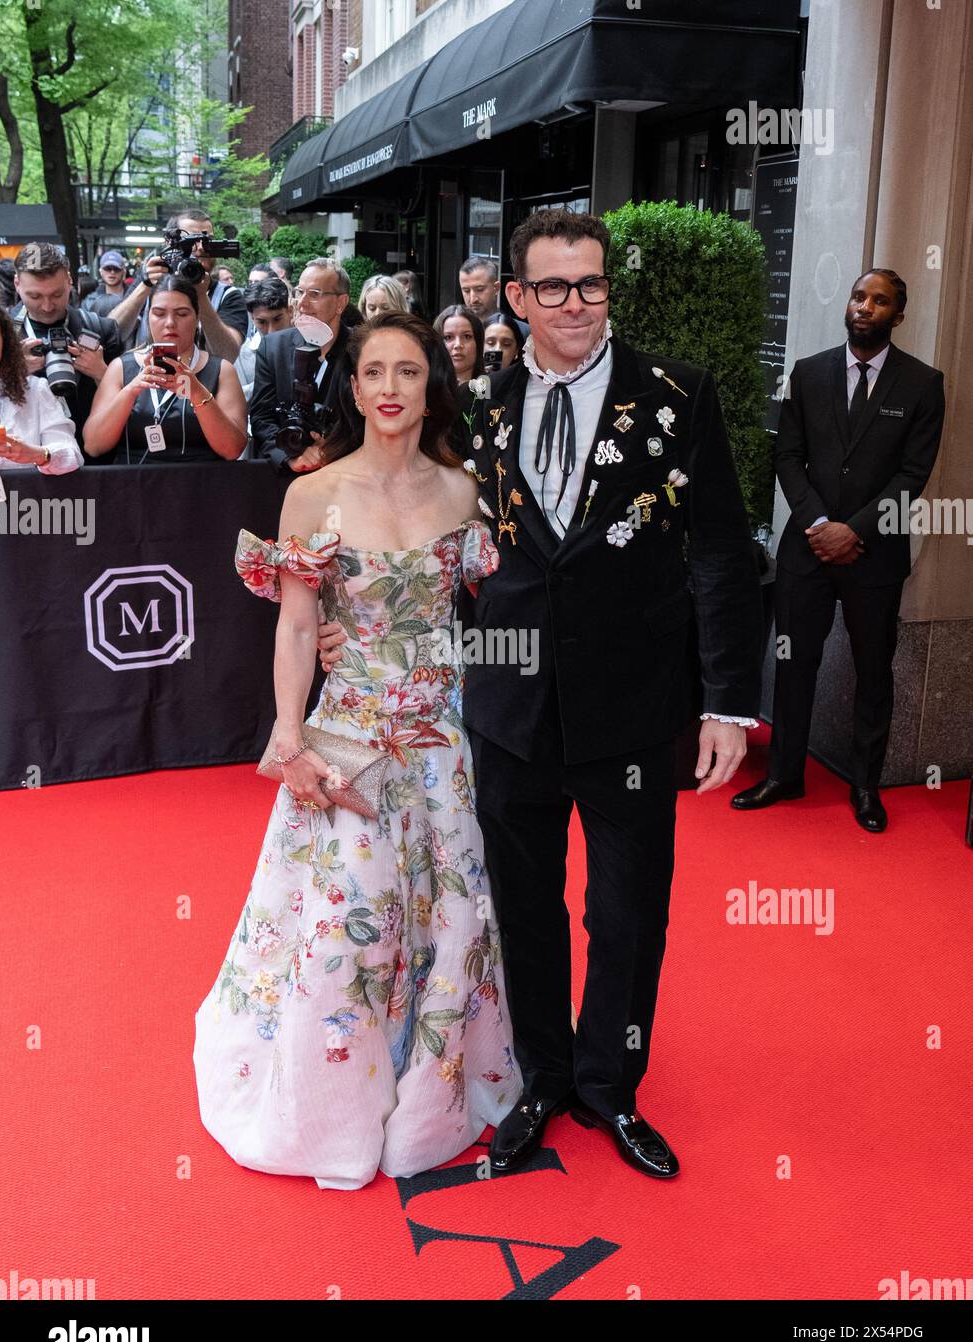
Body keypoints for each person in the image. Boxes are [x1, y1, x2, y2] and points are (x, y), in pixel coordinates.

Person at [323, 210, 763, 1180]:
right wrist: (361, 633)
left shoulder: (677, 394)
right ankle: (543, 1078)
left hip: (634, 706)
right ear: (517, 297)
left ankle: (611, 1086)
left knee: (628, 911)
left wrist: (728, 699)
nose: (576, 304)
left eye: (591, 284)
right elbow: (437, 543)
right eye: (554, 287)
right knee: (521, 907)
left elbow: (722, 550)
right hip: (509, 707)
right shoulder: (477, 404)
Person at [193, 310, 521, 1189]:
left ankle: (432, 1083)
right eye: (372, 371)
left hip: (442, 738)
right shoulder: (314, 493)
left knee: (450, 911)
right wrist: (288, 734)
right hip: (350, 735)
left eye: (407, 371)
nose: (388, 388)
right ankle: (334, 1096)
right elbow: (298, 626)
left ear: (431, 387)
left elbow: (491, 606)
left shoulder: (464, 491)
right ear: (352, 386)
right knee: (348, 919)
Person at [732, 269, 946, 832]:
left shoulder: (923, 384)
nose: (864, 306)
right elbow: (787, 457)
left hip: (875, 556)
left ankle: (866, 787)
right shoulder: (807, 373)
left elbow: (913, 474)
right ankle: (784, 775)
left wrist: (854, 531)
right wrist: (821, 524)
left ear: (898, 315)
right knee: (792, 663)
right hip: (806, 549)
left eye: (880, 301)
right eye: (858, 296)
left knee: (874, 672)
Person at [84, 274, 247, 465]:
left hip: (201, 478)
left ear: (197, 318)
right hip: (134, 478)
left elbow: (232, 449)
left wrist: (197, 392)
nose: (170, 322)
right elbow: (93, 446)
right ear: (148, 317)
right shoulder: (122, 367)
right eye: (159, 314)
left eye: (182, 314)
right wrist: (131, 391)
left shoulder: (221, 370)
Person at [11, 242, 123, 463]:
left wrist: (103, 374)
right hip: (21, 463)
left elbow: (131, 405)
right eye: (35, 296)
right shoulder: (4, 335)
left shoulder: (101, 329)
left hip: (94, 461)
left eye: (57, 294)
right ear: (17, 284)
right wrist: (10, 373)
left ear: (69, 280)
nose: (47, 306)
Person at [107, 207, 248, 364]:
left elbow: (228, 356)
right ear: (170, 243)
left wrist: (201, 297)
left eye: (207, 241)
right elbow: (111, 335)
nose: (201, 248)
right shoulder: (149, 285)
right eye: (192, 241)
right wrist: (146, 285)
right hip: (149, 376)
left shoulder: (227, 295)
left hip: (205, 380)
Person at [249, 257, 352, 473]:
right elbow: (261, 416)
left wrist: (332, 448)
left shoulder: (361, 350)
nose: (302, 303)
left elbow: (366, 421)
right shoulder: (272, 347)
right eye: (299, 292)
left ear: (341, 303)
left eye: (314, 294)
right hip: (285, 475)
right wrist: (289, 457)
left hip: (345, 472)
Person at [0, 303, 83, 474]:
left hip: (22, 492)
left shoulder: (35, 389)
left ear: (4, 340)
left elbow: (71, 456)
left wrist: (39, 455)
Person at [235, 276, 292, 403]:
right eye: (262, 322)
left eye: (277, 319)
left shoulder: (308, 345)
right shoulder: (242, 355)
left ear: (290, 311)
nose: (271, 331)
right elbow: (238, 401)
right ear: (252, 319)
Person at [433, 303, 483, 386]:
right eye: (448, 337)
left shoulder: (493, 389)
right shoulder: (424, 389)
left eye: (467, 336)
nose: (458, 345)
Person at [85, 251, 131, 318]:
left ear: (124, 272)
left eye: (116, 269)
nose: (112, 272)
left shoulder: (133, 296)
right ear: (101, 271)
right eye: (107, 268)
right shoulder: (90, 300)